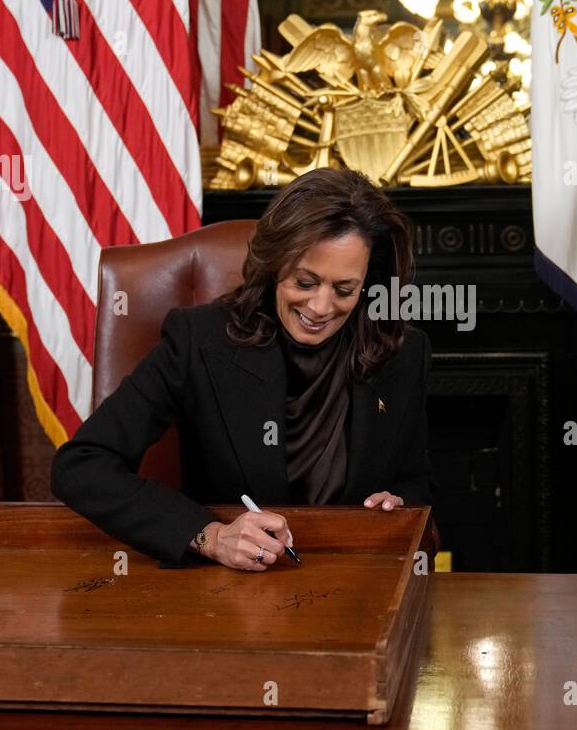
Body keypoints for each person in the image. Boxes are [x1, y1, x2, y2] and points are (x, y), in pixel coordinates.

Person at [52, 168, 433, 571]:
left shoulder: (401, 352)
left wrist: (398, 502)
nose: (321, 307)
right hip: (231, 590)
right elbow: (81, 465)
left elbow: (417, 480)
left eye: (344, 290)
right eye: (304, 282)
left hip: (355, 580)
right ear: (274, 264)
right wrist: (209, 536)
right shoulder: (199, 340)